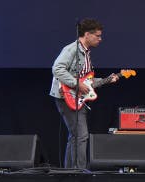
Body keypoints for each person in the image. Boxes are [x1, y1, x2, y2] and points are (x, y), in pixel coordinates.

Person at [49, 18, 120, 169]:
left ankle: (71, 171)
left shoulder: (86, 52)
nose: (100, 39)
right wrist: (77, 84)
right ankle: (78, 171)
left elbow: (86, 81)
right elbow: (57, 69)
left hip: (75, 97)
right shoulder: (72, 50)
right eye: (98, 36)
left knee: (76, 137)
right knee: (81, 136)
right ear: (87, 34)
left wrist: (107, 79)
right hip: (66, 97)